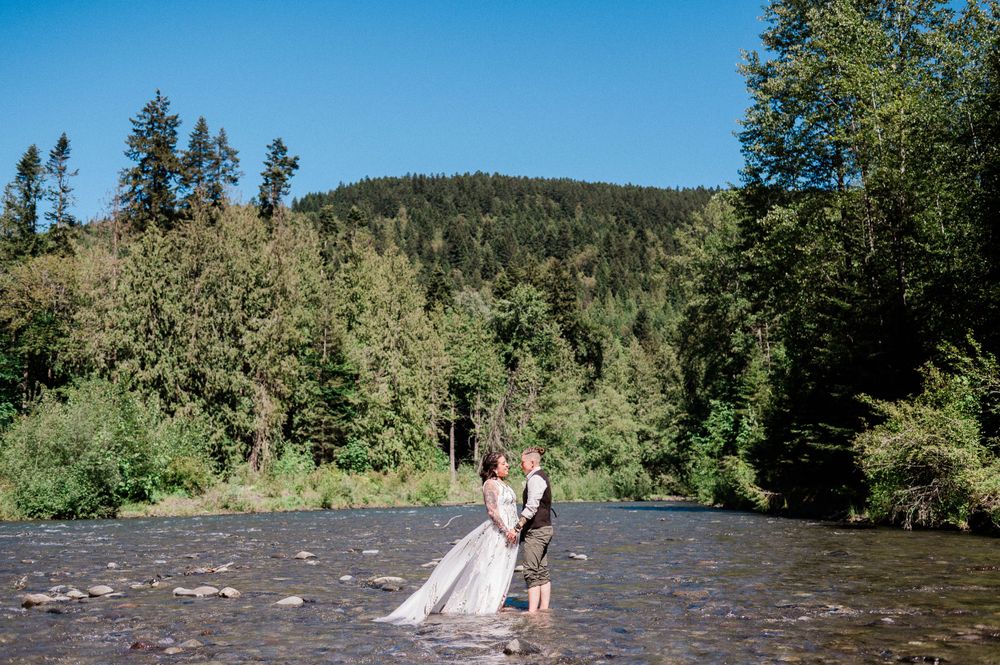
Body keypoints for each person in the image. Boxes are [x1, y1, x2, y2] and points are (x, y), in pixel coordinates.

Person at [374, 452, 519, 625]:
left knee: (503, 568)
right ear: (494, 468)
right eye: (503, 463)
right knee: (490, 568)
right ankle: (484, 605)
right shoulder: (490, 485)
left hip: (511, 535)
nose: (507, 465)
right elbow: (492, 511)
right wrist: (506, 531)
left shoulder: (503, 484)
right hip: (499, 534)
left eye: (506, 463)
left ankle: (497, 602)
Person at [513, 446, 553, 612]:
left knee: (530, 572)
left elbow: (531, 507)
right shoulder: (540, 476)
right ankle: (543, 610)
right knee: (542, 571)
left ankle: (532, 613)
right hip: (545, 528)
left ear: (532, 462)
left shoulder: (535, 479)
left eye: (522, 462)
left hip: (537, 531)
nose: (520, 465)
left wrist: (518, 526)